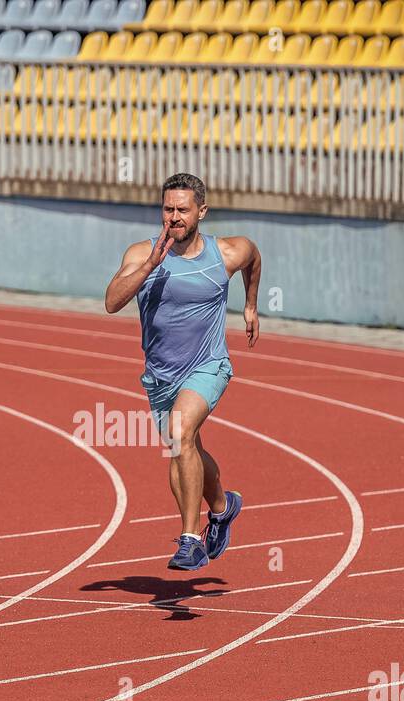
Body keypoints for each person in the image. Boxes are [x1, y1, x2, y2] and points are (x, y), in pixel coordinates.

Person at [104, 173, 262, 571]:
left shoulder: (224, 254)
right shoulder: (142, 253)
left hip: (209, 365)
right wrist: (149, 268)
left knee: (179, 433)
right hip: (160, 376)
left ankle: (190, 540)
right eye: (168, 209)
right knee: (184, 446)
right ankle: (224, 507)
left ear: (201, 212)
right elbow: (111, 301)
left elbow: (253, 255)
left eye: (182, 210)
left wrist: (250, 305)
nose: (173, 217)